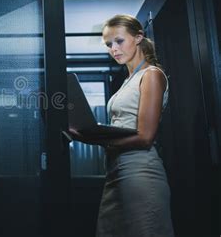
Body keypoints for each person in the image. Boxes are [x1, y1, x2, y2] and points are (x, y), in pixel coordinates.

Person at [68, 14, 174, 236]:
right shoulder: (128, 81)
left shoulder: (152, 75)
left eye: (119, 41)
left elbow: (145, 137)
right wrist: (84, 135)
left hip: (140, 171)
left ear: (138, 37)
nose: (113, 49)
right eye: (108, 44)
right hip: (115, 170)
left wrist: (96, 138)